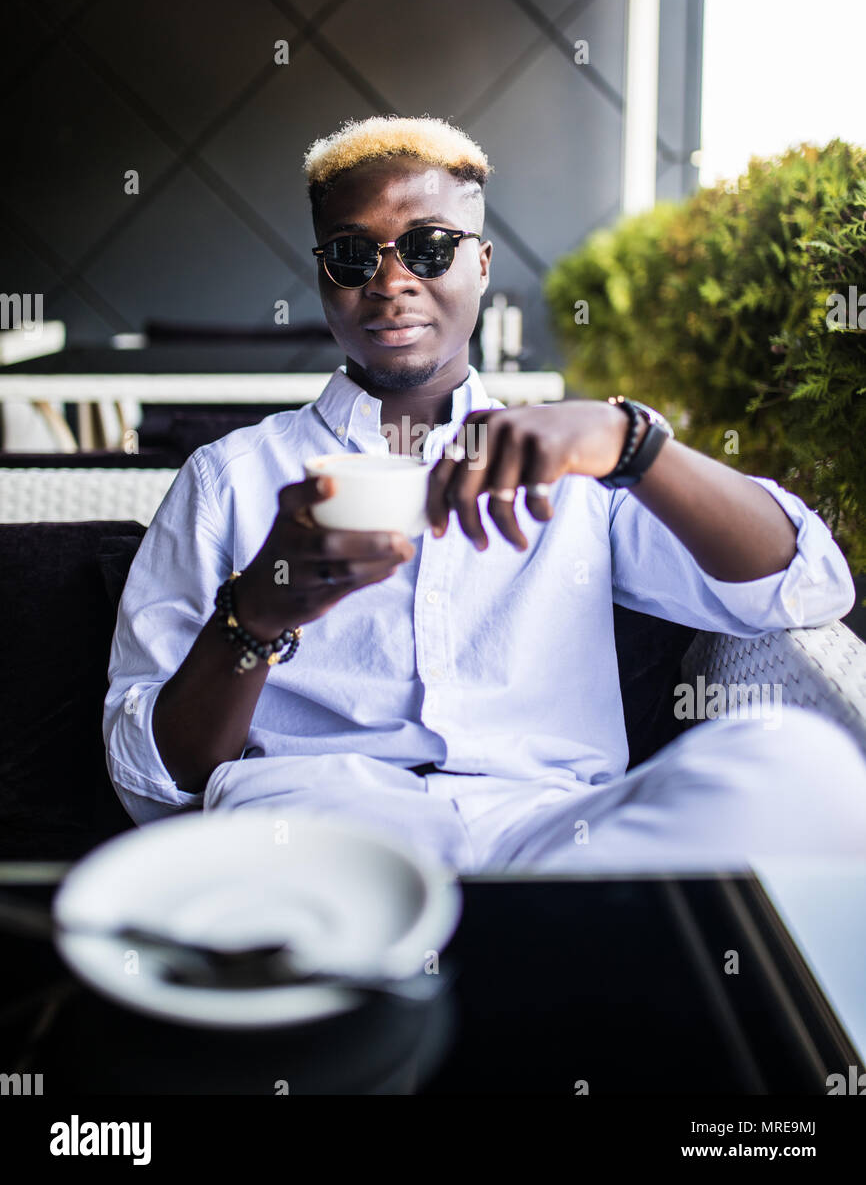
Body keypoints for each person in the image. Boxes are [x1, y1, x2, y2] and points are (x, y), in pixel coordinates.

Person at [103, 114, 866, 875]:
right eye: (351, 253)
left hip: (552, 834)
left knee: (800, 765)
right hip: (317, 837)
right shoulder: (228, 478)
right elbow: (154, 779)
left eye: (430, 248)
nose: (391, 279)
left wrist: (628, 442)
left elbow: (804, 586)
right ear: (323, 275)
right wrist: (257, 613)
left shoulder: (582, 461)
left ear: (484, 263)